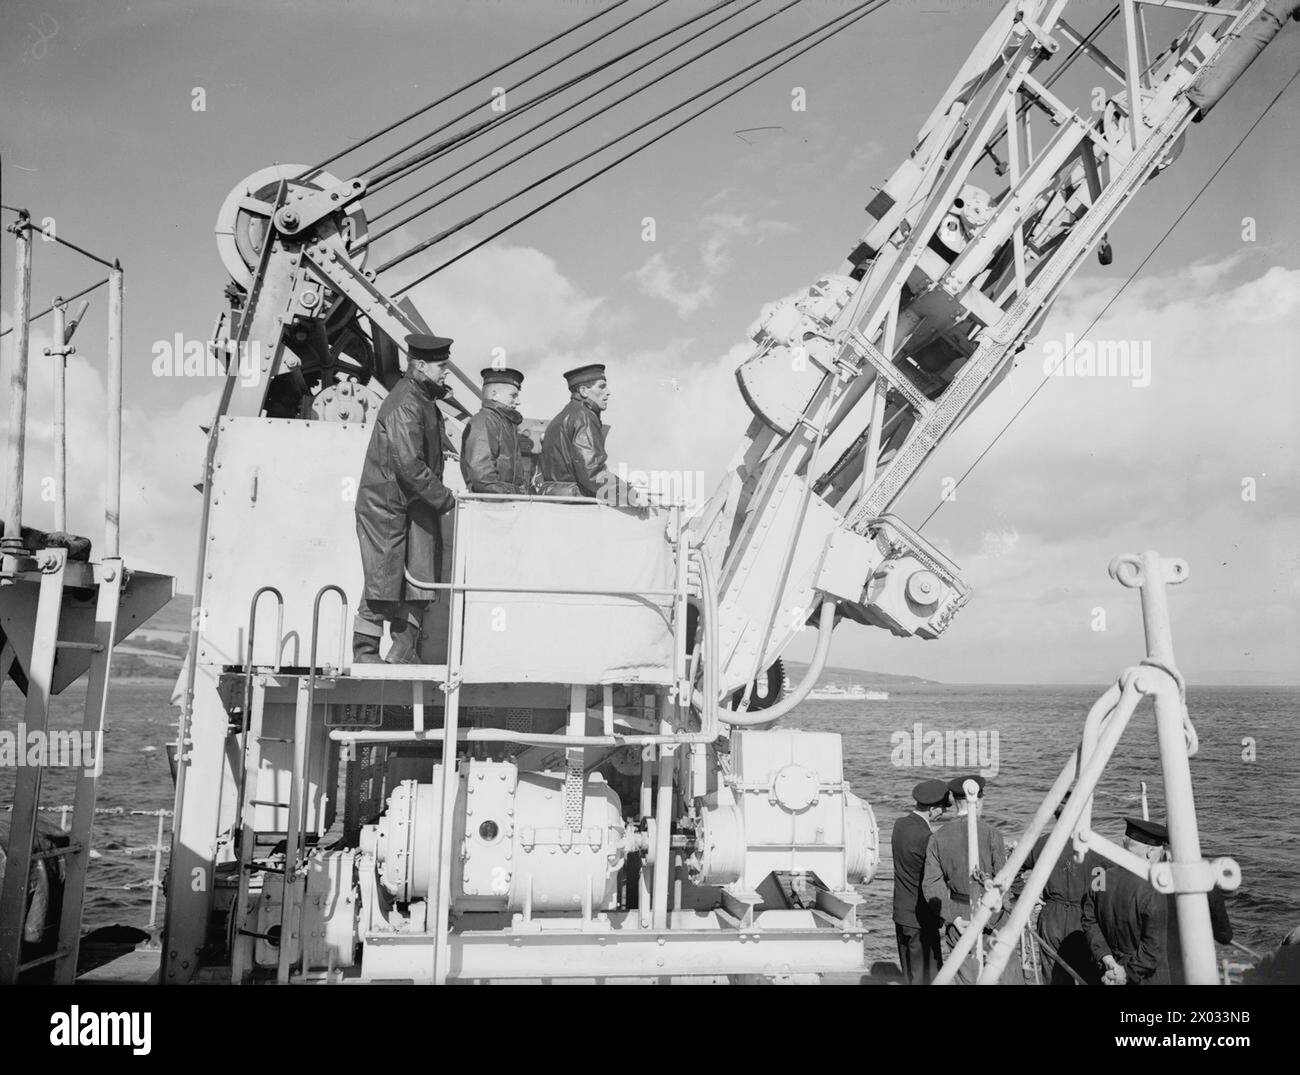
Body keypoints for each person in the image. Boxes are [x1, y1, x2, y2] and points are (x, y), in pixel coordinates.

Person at [353, 333, 456, 665]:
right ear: (421, 365)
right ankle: (366, 652)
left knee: (420, 577)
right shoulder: (406, 403)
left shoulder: (421, 399)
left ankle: (402, 650)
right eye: (442, 366)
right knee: (383, 579)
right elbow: (409, 464)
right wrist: (445, 498)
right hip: (386, 505)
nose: (446, 373)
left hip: (410, 503)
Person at [921, 774, 1023, 983]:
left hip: (959, 916)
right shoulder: (992, 834)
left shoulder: (938, 838)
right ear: (979, 800)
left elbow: (931, 885)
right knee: (1007, 974)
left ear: (955, 802)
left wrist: (953, 919)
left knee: (967, 976)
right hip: (992, 914)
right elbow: (1002, 881)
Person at [1019, 792, 1102, 984]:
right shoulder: (1097, 849)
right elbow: (1103, 890)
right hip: (1084, 918)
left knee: (1054, 976)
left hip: (1051, 917)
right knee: (1089, 975)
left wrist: (1026, 894)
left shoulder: (1041, 843)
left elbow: (1016, 868)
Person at [1080, 816, 1168, 985]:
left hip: (1107, 970)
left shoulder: (1101, 878)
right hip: (1141, 977)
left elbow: (1089, 920)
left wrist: (1108, 959)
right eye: (1160, 850)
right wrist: (1125, 974)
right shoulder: (1153, 889)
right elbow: (1152, 950)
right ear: (1150, 852)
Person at [539, 364, 643, 506]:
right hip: (575, 505)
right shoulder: (584, 416)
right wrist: (631, 495)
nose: (608, 392)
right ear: (584, 391)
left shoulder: (561, 417)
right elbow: (592, 472)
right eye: (602, 386)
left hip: (554, 502)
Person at [892, 778, 949, 984]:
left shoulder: (900, 825)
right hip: (921, 918)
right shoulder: (927, 838)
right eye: (942, 808)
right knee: (927, 977)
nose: (943, 813)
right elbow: (932, 879)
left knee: (909, 975)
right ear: (933, 809)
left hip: (901, 914)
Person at [461, 367, 529, 494]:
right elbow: (482, 477)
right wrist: (513, 496)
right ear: (494, 394)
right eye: (513, 395)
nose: (518, 402)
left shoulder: (502, 423)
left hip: (503, 503)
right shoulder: (485, 422)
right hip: (493, 506)